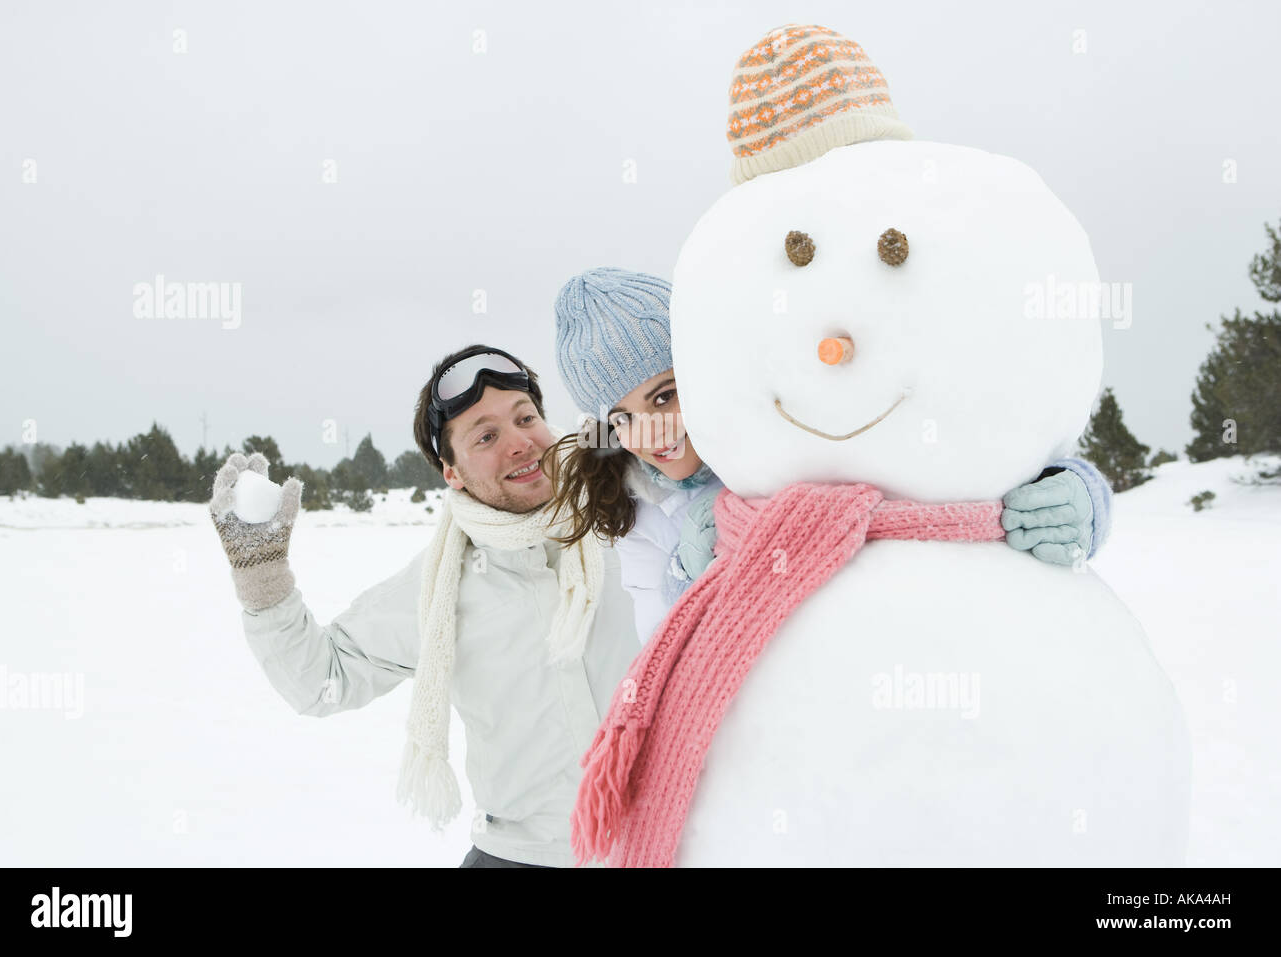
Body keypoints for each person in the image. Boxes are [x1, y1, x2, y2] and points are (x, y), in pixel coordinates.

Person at [209, 343, 640, 868]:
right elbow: (322, 680)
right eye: (486, 435)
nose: (521, 443)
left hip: (674, 840)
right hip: (520, 856)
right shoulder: (439, 586)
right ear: (451, 472)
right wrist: (263, 578)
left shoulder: (631, 523)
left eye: (526, 418)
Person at [542, 267, 1114, 647]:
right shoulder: (641, 513)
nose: (651, 433)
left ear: (705, 373)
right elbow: (662, 648)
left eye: (665, 395)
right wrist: (687, 576)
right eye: (623, 419)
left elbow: (931, 457)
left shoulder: (797, 421)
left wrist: (1073, 488)